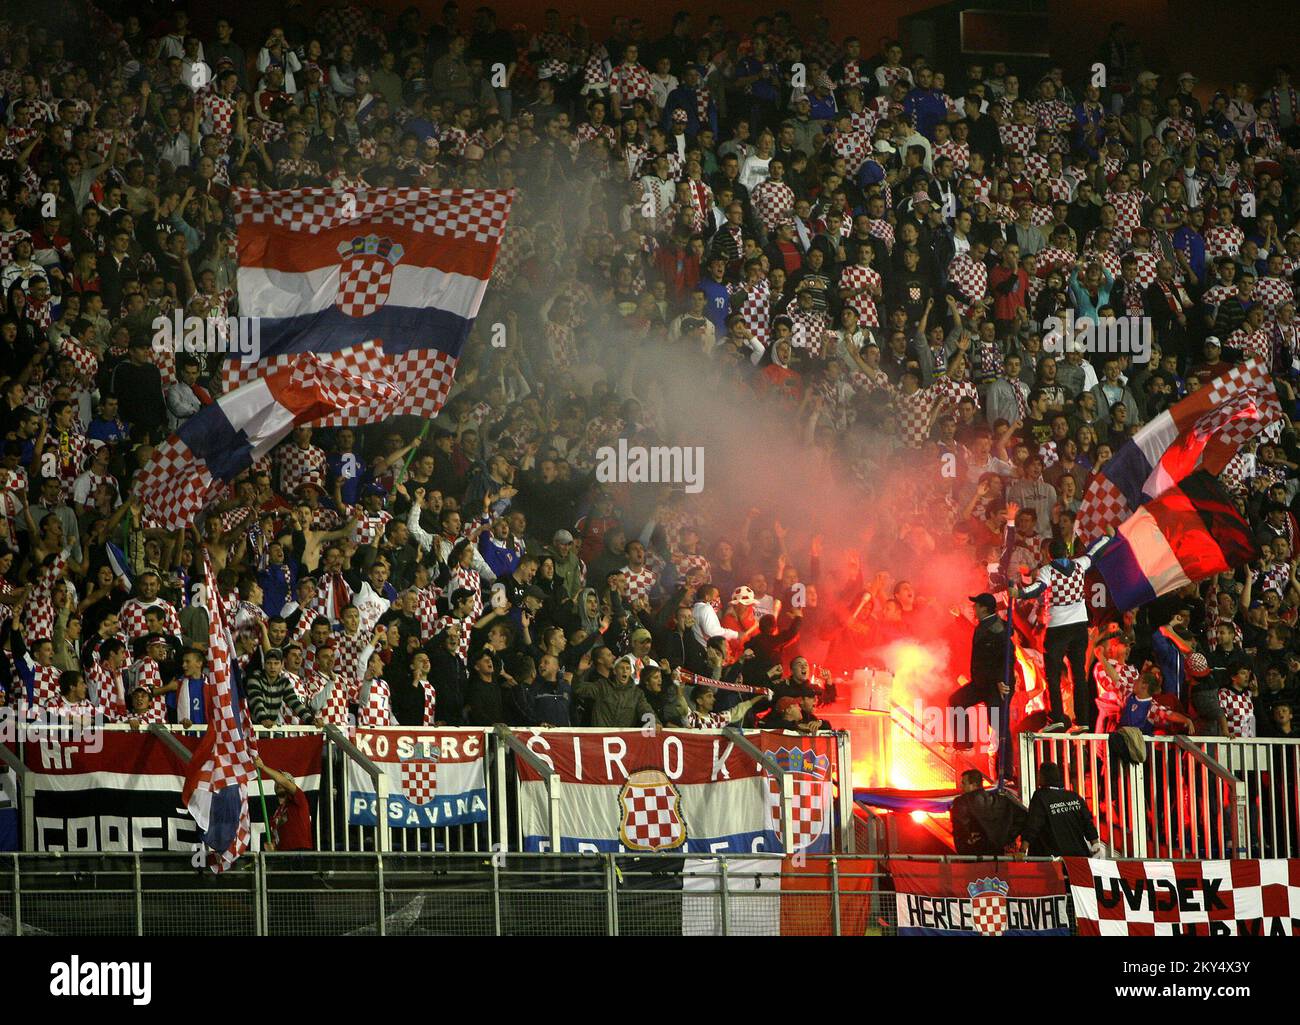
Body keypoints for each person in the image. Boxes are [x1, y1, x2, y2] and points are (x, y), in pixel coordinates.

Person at [1018, 536, 1111, 732]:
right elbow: (1095, 552)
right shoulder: (1079, 564)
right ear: (1067, 553)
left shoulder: (1047, 570)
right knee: (1078, 674)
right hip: (1079, 627)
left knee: (1052, 674)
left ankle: (1057, 718)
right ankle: (1083, 721)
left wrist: (1018, 592)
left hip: (1058, 628)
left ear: (1049, 555)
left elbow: (1036, 589)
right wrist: (1107, 537)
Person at [1022, 761, 1103, 857]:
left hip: (1053, 861)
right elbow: (1088, 825)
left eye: (1039, 774)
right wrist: (1097, 850)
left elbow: (1033, 824)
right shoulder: (1074, 797)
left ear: (1043, 776)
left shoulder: (1041, 796)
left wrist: (1022, 850)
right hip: (1078, 858)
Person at [949, 769, 1026, 855]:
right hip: (997, 855)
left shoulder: (962, 802)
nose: (961, 786)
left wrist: (966, 841)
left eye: (964, 783)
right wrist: (1007, 838)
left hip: (973, 855)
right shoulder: (1000, 800)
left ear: (974, 785)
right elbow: (1022, 817)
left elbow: (960, 827)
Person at [256, 757, 313, 852]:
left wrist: (262, 767)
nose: (278, 783)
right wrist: (273, 849)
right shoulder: (275, 814)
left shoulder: (299, 798)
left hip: (300, 851)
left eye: (280, 780)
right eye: (276, 782)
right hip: (283, 855)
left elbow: (284, 782)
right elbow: (277, 839)